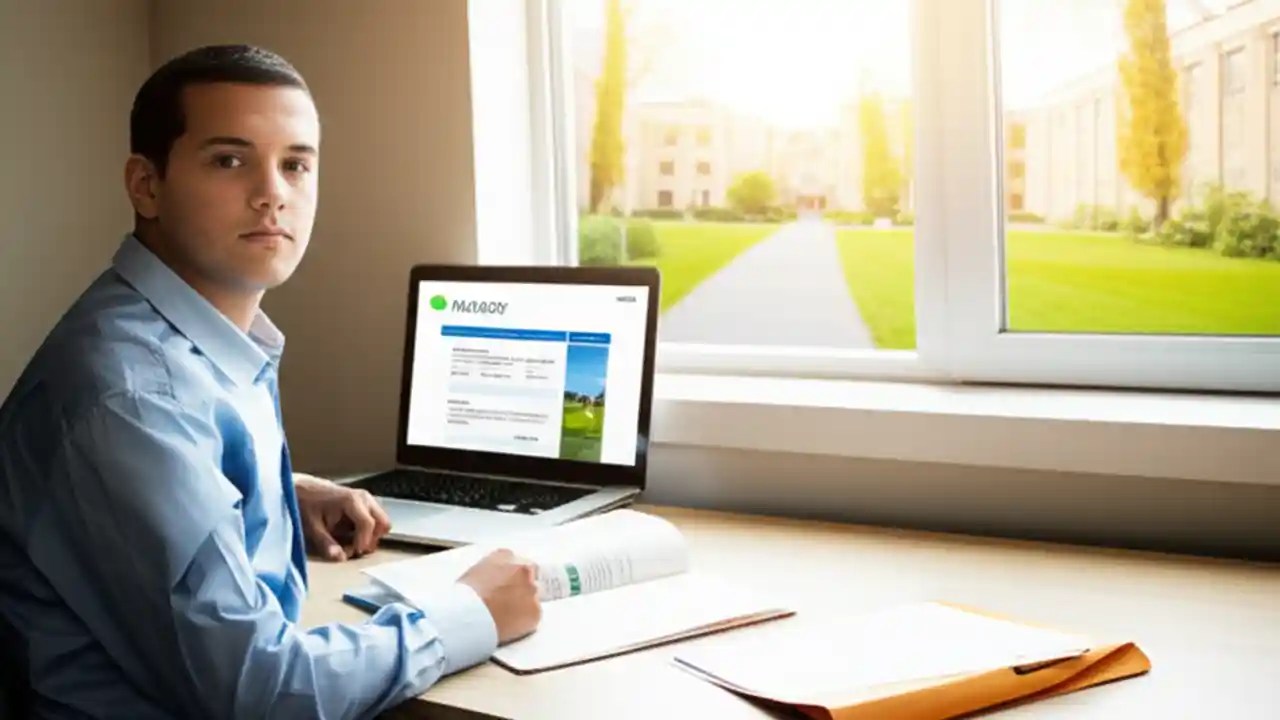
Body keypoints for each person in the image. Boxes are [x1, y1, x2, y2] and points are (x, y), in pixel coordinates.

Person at [0, 44, 541, 719]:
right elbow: (264, 693)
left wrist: (277, 494)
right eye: (230, 161)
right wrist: (469, 613)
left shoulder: (188, 340)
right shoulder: (134, 399)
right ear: (146, 185)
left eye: (295, 164)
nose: (272, 194)